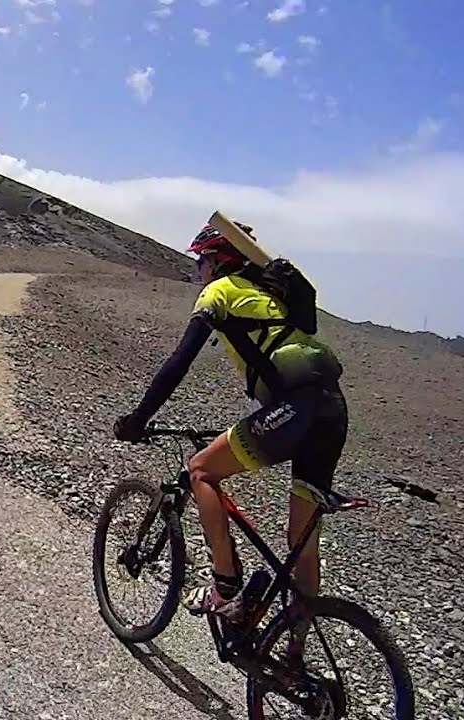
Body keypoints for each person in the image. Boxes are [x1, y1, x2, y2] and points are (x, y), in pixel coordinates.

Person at [112, 221, 347, 661]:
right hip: (332, 411)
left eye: (201, 261)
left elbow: (179, 361)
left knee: (200, 469)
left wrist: (139, 418)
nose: (198, 271)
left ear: (217, 262)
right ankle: (294, 661)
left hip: (295, 409)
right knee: (301, 545)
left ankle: (225, 589)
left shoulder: (219, 292)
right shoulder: (268, 297)